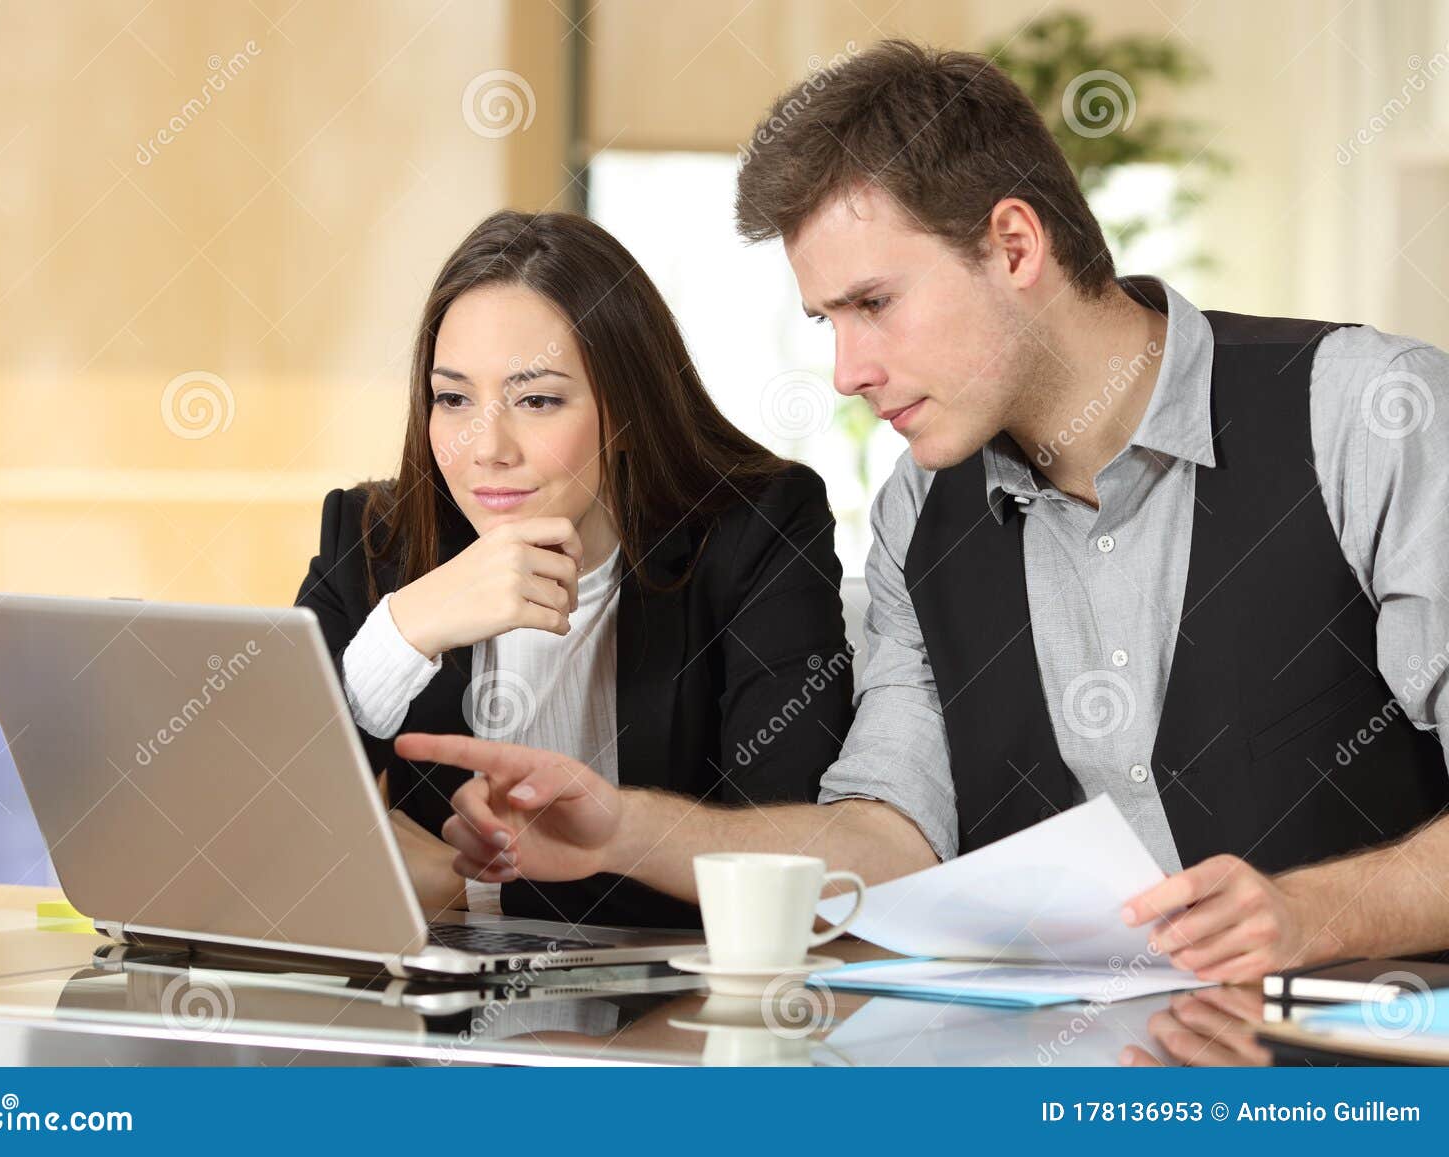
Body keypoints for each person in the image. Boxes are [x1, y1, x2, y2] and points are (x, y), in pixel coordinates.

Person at [408, 40, 1449, 983]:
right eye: (825, 319)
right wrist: (621, 828)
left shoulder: (1363, 414)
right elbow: (887, 840)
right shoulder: (920, 509)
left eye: (873, 304)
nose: (847, 369)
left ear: (1011, 245)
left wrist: (1313, 911)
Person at [296, 209, 854, 930]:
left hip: (678, 1028)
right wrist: (405, 631)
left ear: (624, 409)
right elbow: (253, 836)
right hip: (434, 1036)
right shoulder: (372, 542)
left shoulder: (757, 534)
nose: (486, 446)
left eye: (537, 399)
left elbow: (784, 874)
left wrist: (469, 889)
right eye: (454, 398)